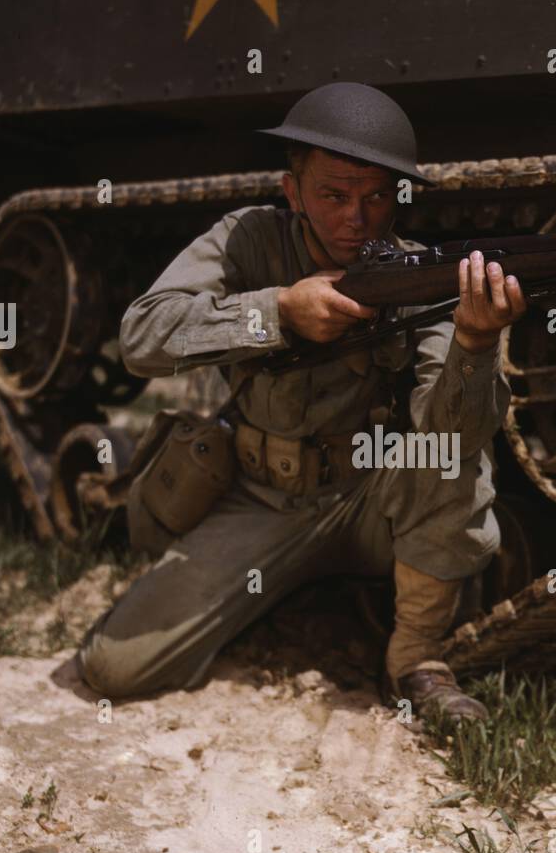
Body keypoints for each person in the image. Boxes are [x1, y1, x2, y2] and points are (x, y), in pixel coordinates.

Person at [77, 81, 525, 724]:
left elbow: (459, 432)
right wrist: (275, 312)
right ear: (294, 193)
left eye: (376, 196)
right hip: (260, 494)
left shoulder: (422, 273)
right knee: (113, 668)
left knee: (445, 453)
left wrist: (477, 343)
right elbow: (141, 337)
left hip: (375, 497)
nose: (356, 217)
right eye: (334, 195)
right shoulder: (249, 240)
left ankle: (416, 659)